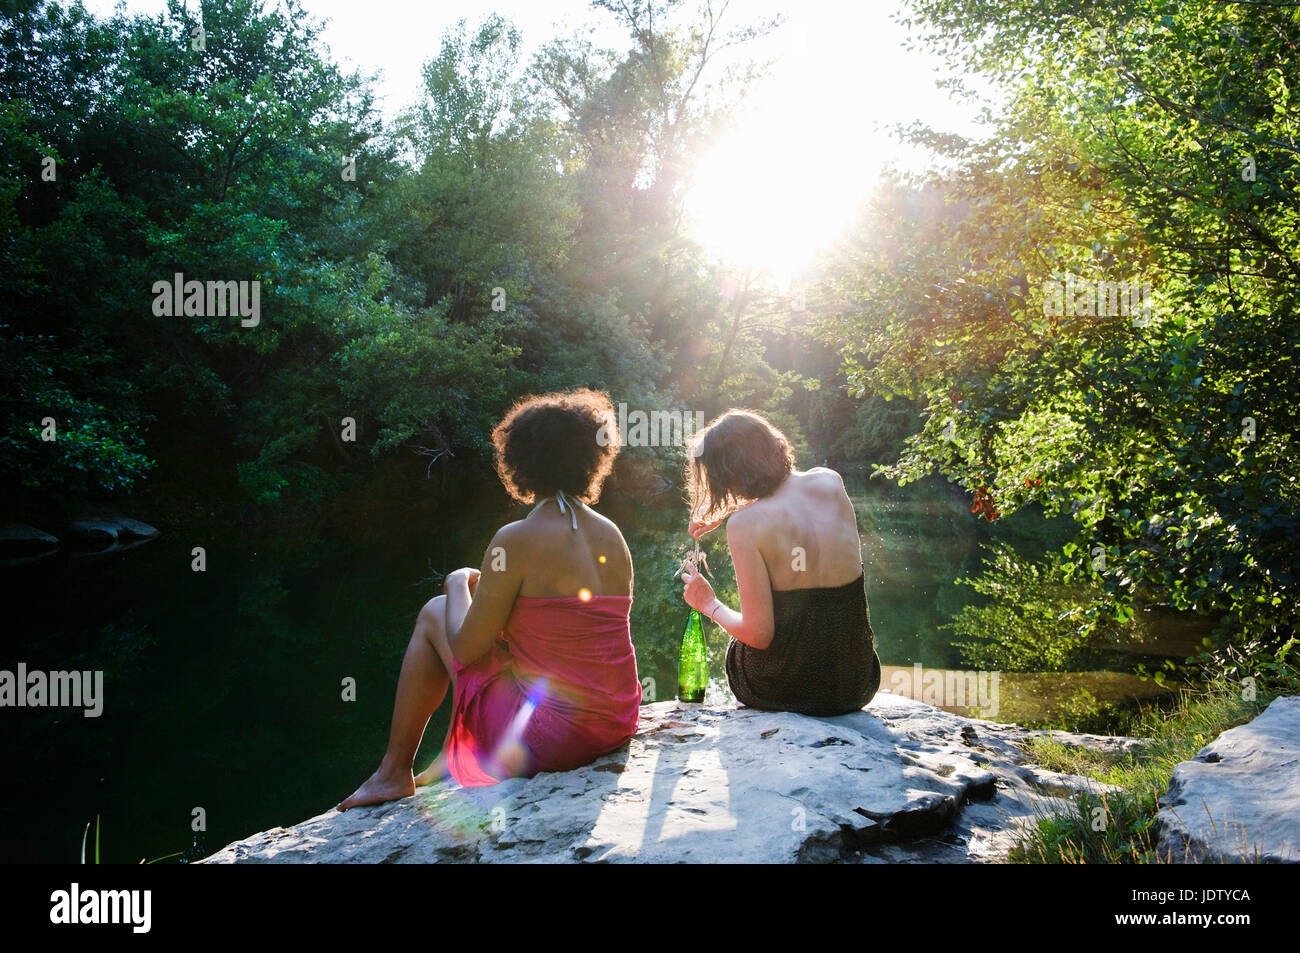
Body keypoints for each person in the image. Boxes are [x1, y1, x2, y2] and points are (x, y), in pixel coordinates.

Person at [338, 389, 641, 809]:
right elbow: (575, 630)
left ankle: (392, 773)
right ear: (592, 459)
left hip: (559, 737)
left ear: (520, 462)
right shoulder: (612, 534)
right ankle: (448, 755)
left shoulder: (515, 540)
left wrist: (457, 582)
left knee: (434, 614)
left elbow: (464, 648)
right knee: (499, 641)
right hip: (617, 720)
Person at [678, 410, 881, 716]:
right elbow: (789, 503)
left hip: (788, 688)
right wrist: (728, 510)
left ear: (727, 476)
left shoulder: (744, 525)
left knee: (737, 651)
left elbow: (759, 635)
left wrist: (708, 604)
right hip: (855, 682)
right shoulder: (830, 482)